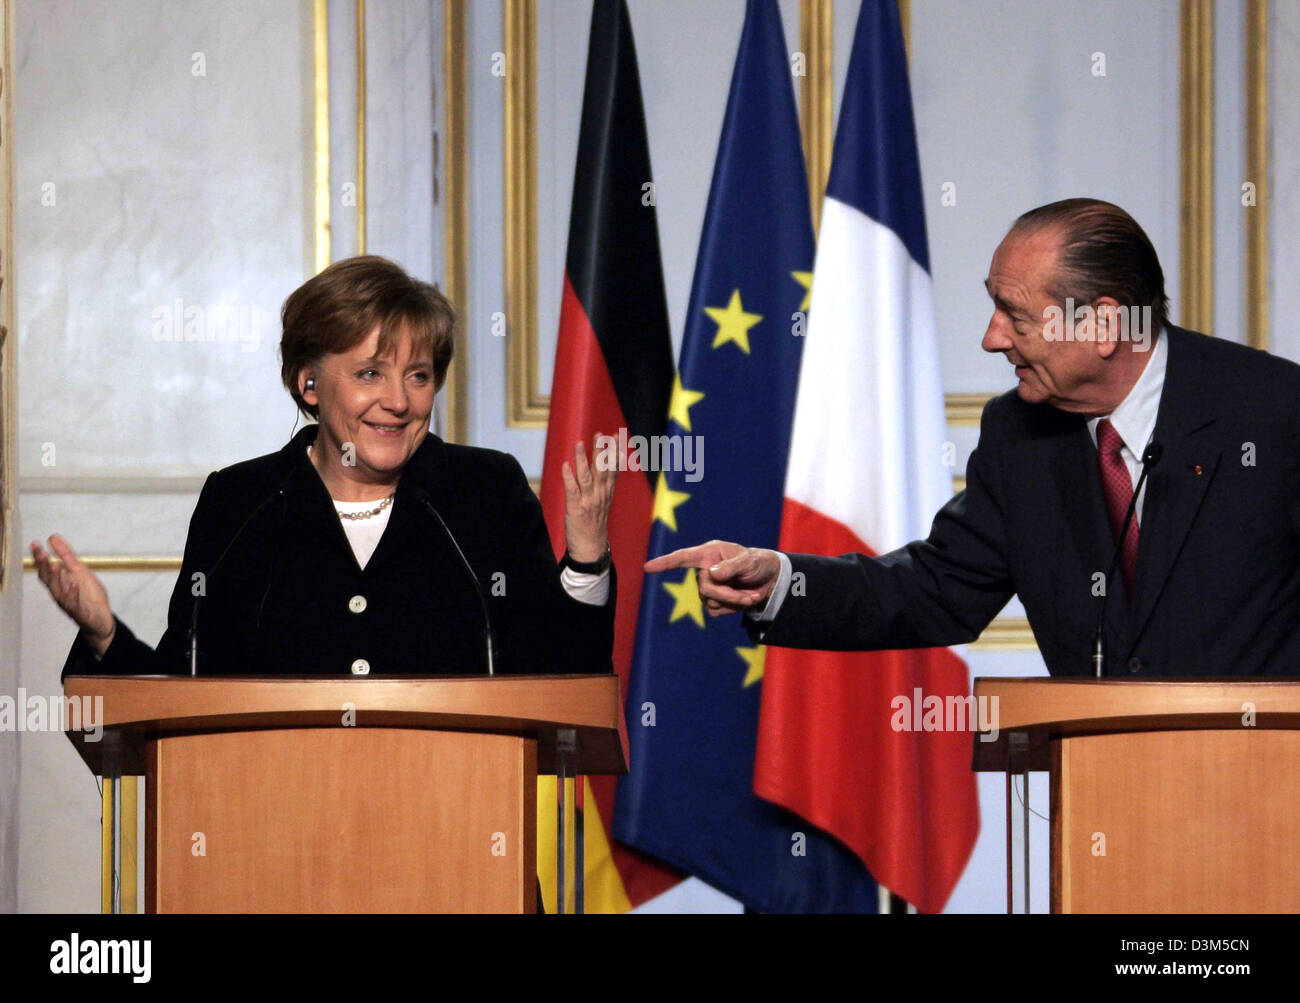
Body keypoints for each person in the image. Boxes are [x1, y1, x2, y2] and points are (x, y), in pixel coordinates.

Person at [647, 198, 1300, 677]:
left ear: (1104, 325)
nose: (991, 338)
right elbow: (933, 590)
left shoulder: (1271, 414)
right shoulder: (1019, 435)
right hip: (1104, 809)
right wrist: (781, 582)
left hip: (1265, 809)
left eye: (1014, 314)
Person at [35, 255, 617, 680]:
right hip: (273, 831)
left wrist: (587, 559)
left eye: (418, 375)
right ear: (308, 383)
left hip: (458, 831)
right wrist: (103, 633)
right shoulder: (242, 502)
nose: (399, 400)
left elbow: (558, 681)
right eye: (370, 373)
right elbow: (188, 690)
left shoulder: (483, 491)